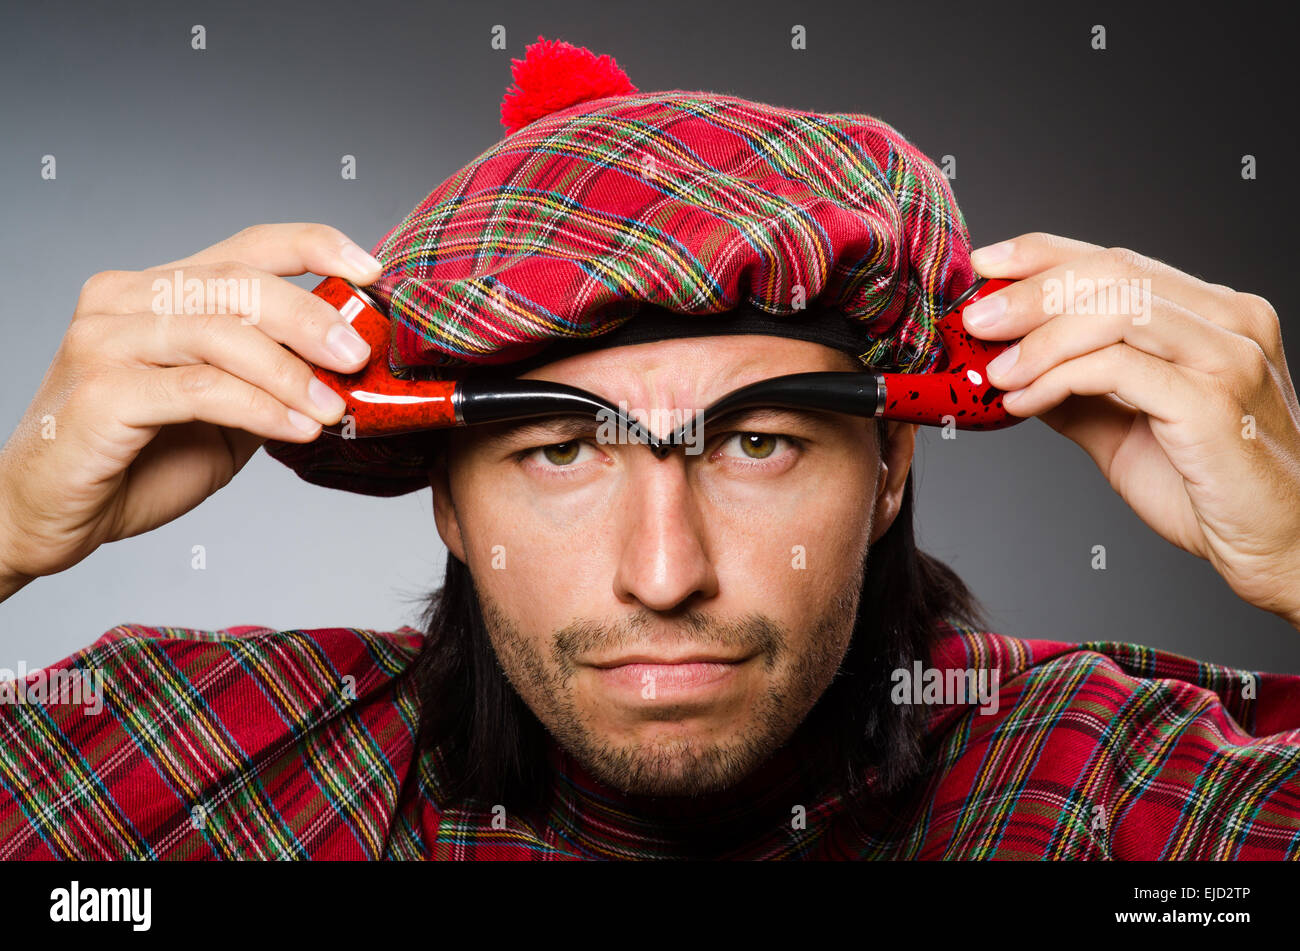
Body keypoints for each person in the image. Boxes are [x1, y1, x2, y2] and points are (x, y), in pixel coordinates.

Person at [2, 37, 1299, 861]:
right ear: (445, 498)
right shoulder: (190, 766)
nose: (662, 574)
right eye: (560, 453)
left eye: (758, 442)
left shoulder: (1104, 789)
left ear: (894, 463)